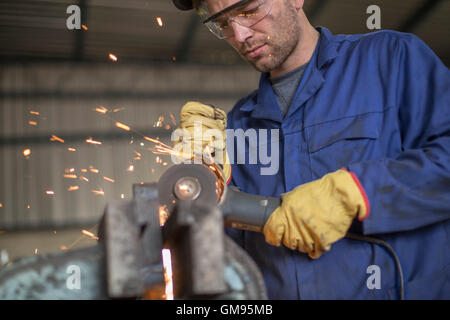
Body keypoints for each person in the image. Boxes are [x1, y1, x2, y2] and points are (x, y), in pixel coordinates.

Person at [172, 0, 450, 299]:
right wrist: (206, 178)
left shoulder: (391, 60)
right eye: (223, 23)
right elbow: (225, 259)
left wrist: (357, 192)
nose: (239, 35)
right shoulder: (239, 123)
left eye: (249, 11)